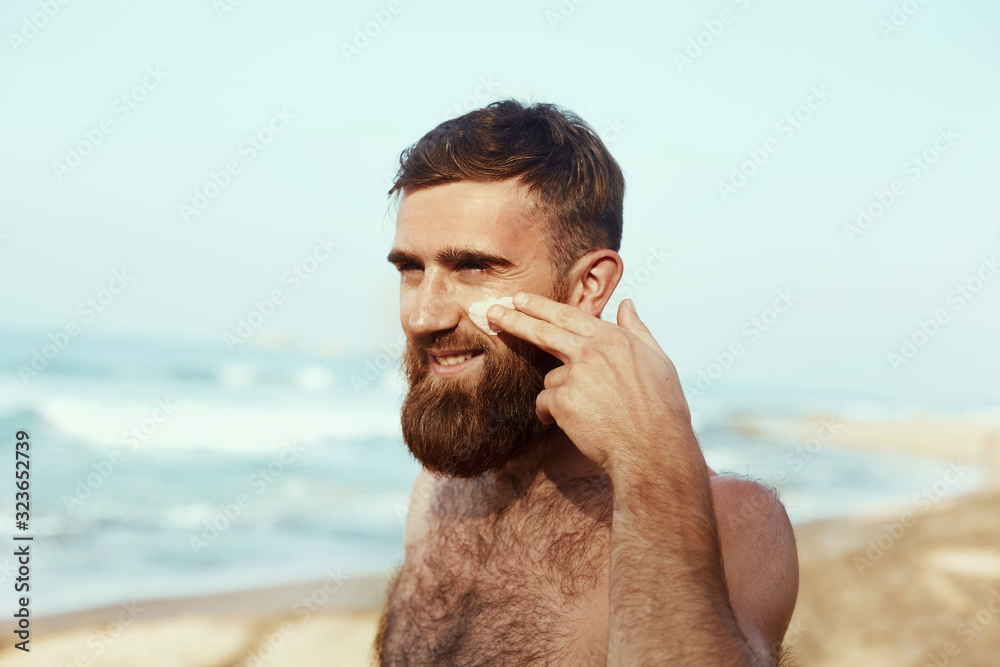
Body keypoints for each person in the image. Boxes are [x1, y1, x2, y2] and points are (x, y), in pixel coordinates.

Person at [374, 100, 799, 666]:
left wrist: (649, 459)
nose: (422, 316)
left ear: (587, 287)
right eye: (411, 269)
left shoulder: (734, 521)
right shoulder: (441, 488)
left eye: (474, 267)